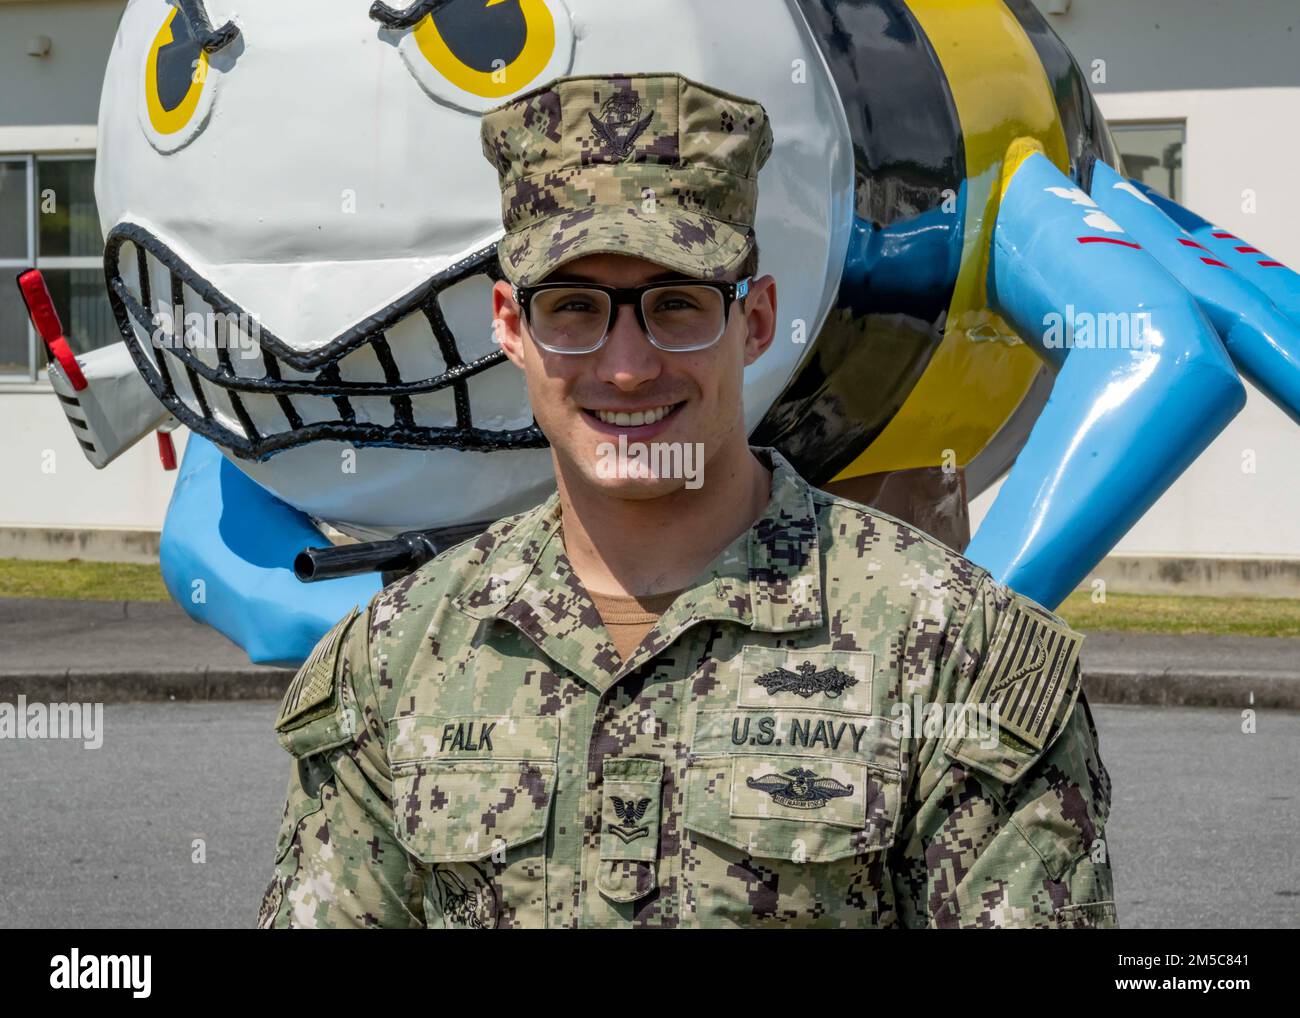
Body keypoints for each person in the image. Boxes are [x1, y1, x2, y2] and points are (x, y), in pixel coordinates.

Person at [257, 72, 1116, 929]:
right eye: (572, 309)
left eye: (676, 305)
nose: (627, 366)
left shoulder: (951, 651)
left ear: (756, 320)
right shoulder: (397, 663)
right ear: (511, 329)